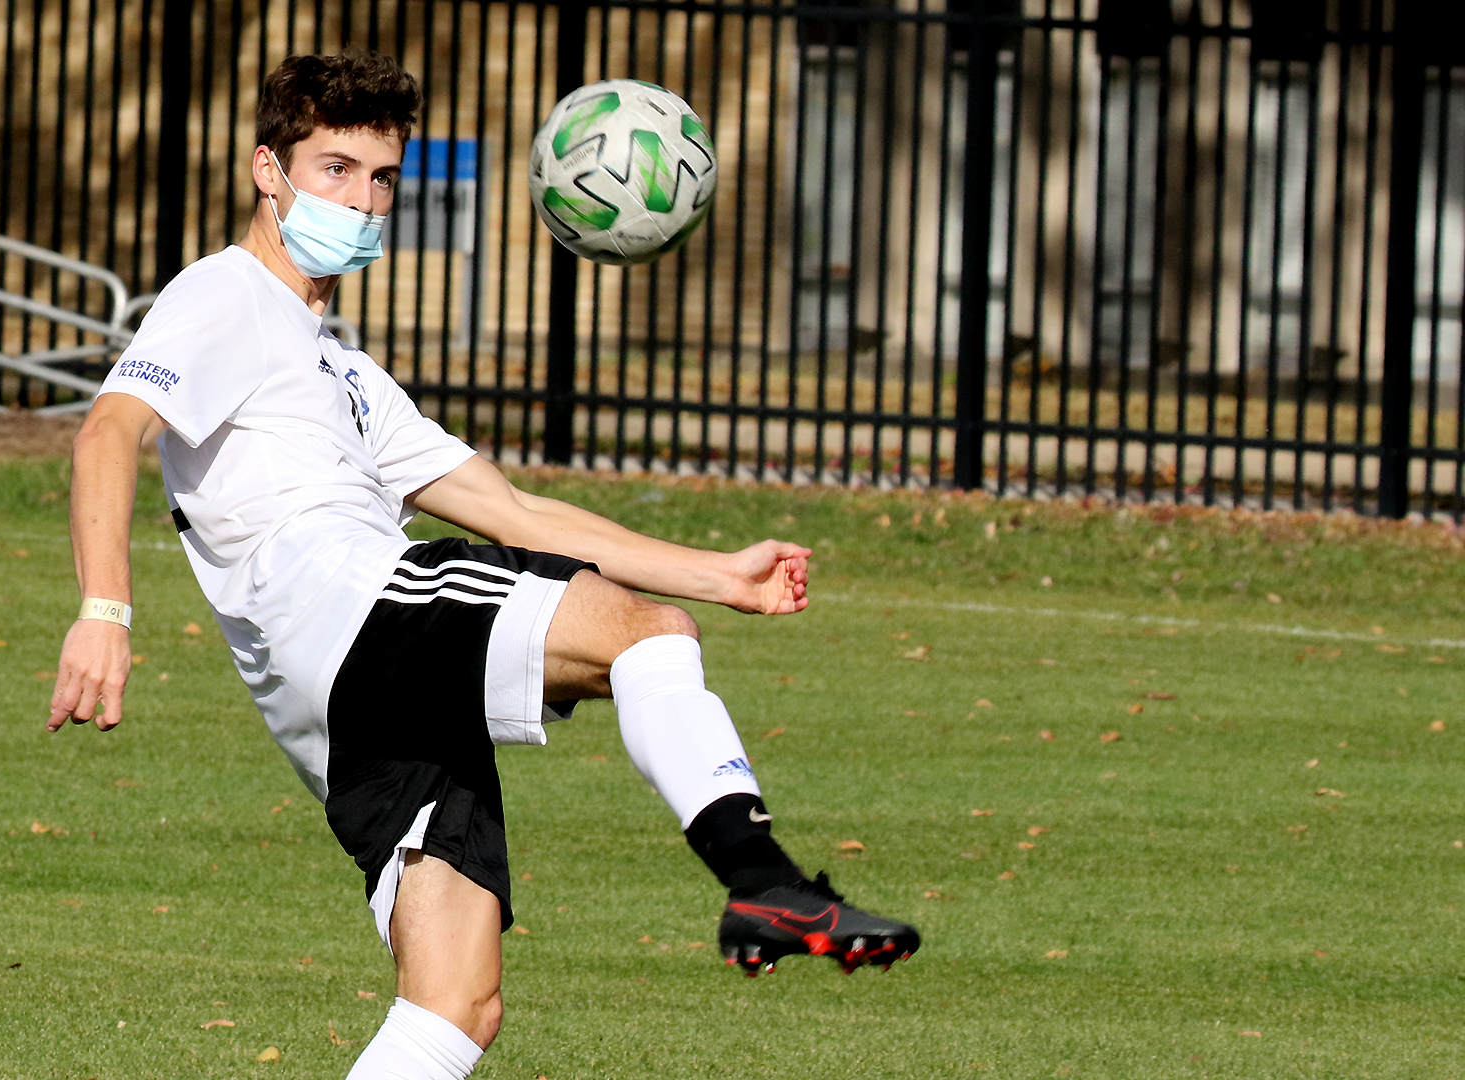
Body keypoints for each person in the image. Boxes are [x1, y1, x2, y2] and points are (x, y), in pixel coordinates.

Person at [47, 51, 919, 1080]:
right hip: (351, 605)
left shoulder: (343, 368)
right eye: (333, 169)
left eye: (381, 178)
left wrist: (724, 577)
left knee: (456, 1003)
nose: (361, 200)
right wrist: (104, 609)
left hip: (338, 695)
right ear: (266, 171)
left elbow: (511, 509)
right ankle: (762, 878)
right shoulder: (225, 293)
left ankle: (756, 882)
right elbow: (108, 431)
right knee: (644, 636)